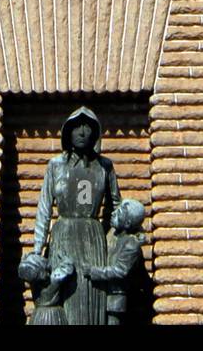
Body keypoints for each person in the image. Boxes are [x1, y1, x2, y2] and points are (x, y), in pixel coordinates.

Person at [32, 106, 121, 325]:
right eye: (76, 127)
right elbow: (44, 209)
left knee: (91, 303)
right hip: (63, 238)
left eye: (87, 127)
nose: (82, 132)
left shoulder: (105, 167)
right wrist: (37, 250)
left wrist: (115, 239)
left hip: (92, 239)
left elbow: (115, 206)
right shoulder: (55, 166)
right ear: (67, 132)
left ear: (95, 133)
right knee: (64, 300)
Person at [84, 199, 145, 326]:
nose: (113, 213)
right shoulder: (113, 234)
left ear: (128, 223)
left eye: (120, 212)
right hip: (101, 296)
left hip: (115, 301)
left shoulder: (131, 244)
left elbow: (120, 270)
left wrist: (93, 271)